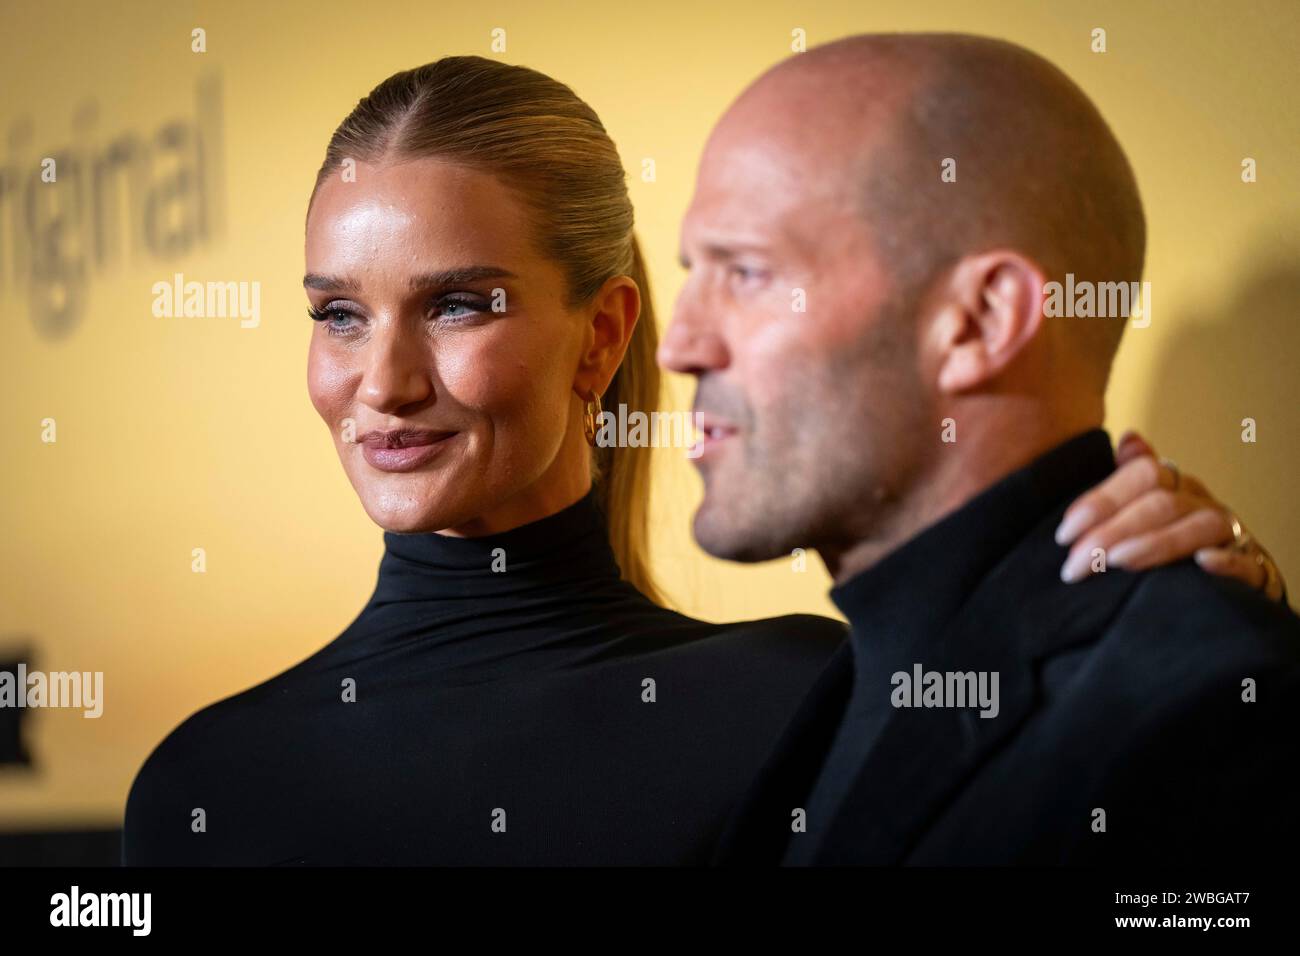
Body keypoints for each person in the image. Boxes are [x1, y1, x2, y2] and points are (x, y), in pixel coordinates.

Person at [124, 54, 1280, 866]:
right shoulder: (200, 786)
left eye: (460, 305)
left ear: (606, 332)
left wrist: (1174, 603)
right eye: (336, 314)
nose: (381, 381)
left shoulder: (817, 698)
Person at [656, 32, 1299, 866]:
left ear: (983, 321)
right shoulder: (831, 693)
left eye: (745, 272)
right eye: (693, 272)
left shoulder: (1215, 716)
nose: (681, 344)